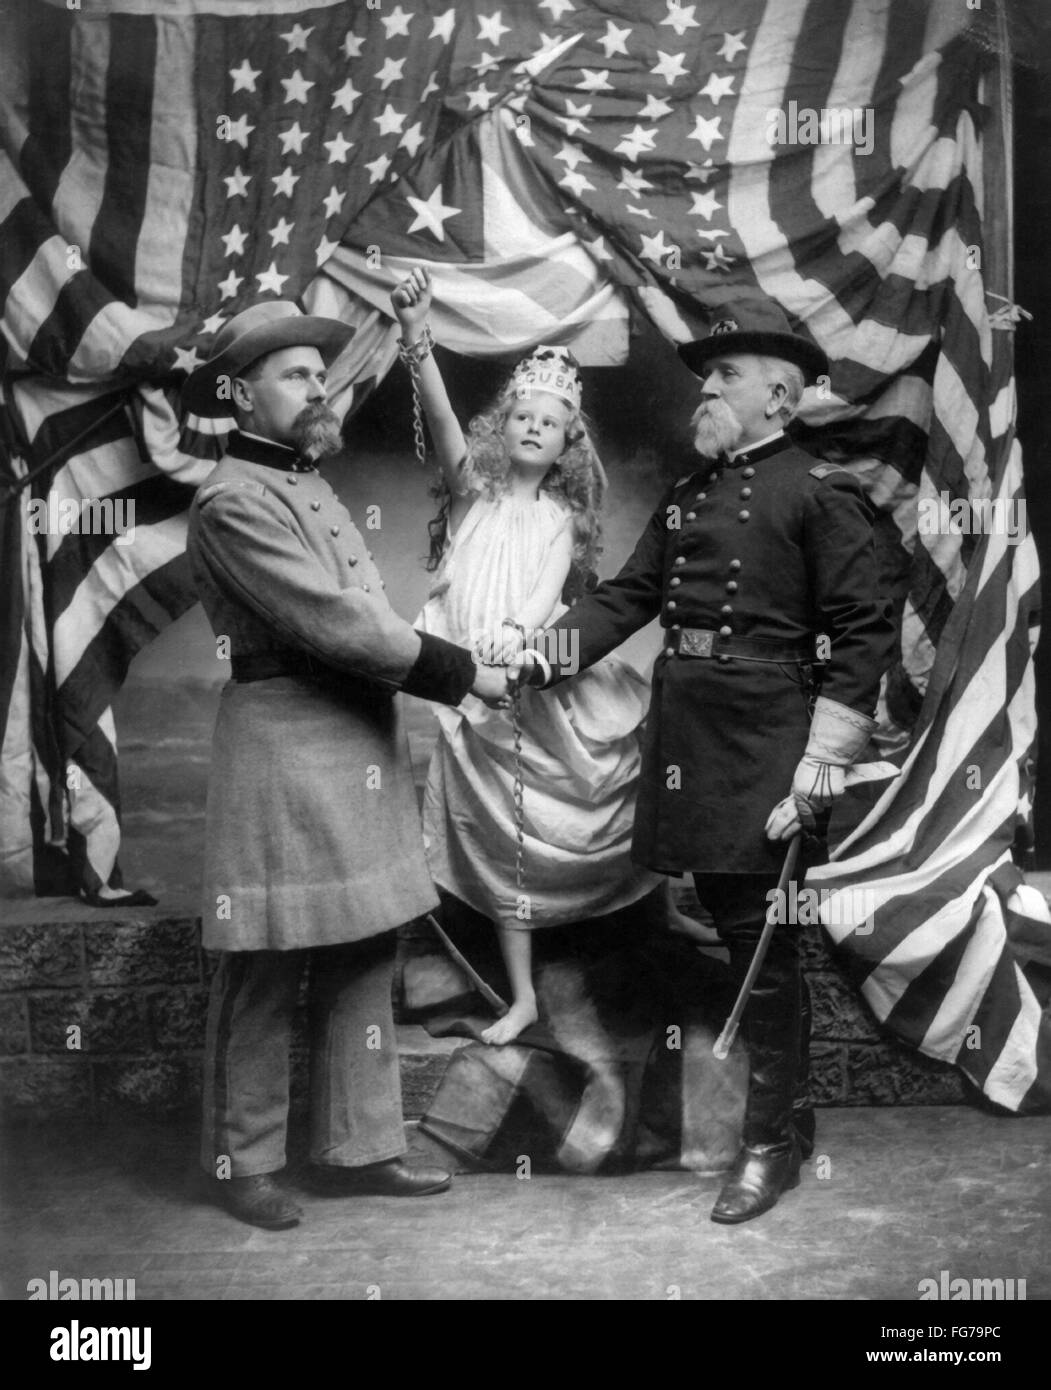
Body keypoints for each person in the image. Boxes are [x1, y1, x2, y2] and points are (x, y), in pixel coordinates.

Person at [513, 297, 896, 1223]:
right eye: (705, 376)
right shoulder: (689, 494)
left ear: (779, 392)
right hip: (689, 737)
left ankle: (768, 1145)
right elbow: (628, 598)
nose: (705, 389)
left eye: (722, 375)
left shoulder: (819, 489)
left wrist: (821, 763)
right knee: (738, 938)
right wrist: (540, 655)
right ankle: (786, 1121)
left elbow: (862, 630)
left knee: (761, 952)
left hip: (767, 745)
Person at [182, 300, 509, 1231]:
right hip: (283, 742)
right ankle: (241, 1161)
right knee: (264, 958)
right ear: (241, 395)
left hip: (355, 734)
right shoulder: (234, 497)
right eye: (293, 375)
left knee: (364, 946)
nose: (317, 386)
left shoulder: (301, 479)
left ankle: (360, 1148)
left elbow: (361, 635)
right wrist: (464, 673)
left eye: (320, 374)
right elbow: (340, 623)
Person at [390, 267, 662, 1046]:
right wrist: (416, 336)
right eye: (522, 416)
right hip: (468, 696)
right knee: (491, 838)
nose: (535, 427)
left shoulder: (559, 519)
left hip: (521, 680)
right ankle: (516, 996)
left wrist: (517, 637)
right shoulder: (472, 494)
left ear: (569, 440)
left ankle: (648, 916)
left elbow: (547, 596)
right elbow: (439, 416)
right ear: (500, 429)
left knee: (550, 818)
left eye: (552, 421)